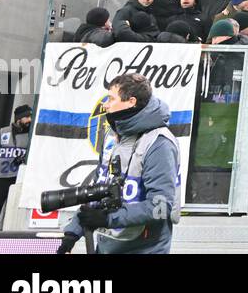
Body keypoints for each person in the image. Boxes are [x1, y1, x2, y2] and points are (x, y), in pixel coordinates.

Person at [57, 72, 180, 254]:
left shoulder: (159, 143)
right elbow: (98, 192)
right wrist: (72, 233)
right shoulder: (112, 140)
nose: (105, 105)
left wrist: (107, 219)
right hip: (108, 247)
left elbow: (160, 207)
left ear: (131, 102)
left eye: (111, 99)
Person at [0, 104, 32, 229]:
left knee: (14, 212)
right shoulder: (3, 132)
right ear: (18, 118)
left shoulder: (31, 135)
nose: (29, 120)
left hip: (17, 178)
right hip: (0, 177)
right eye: (26, 117)